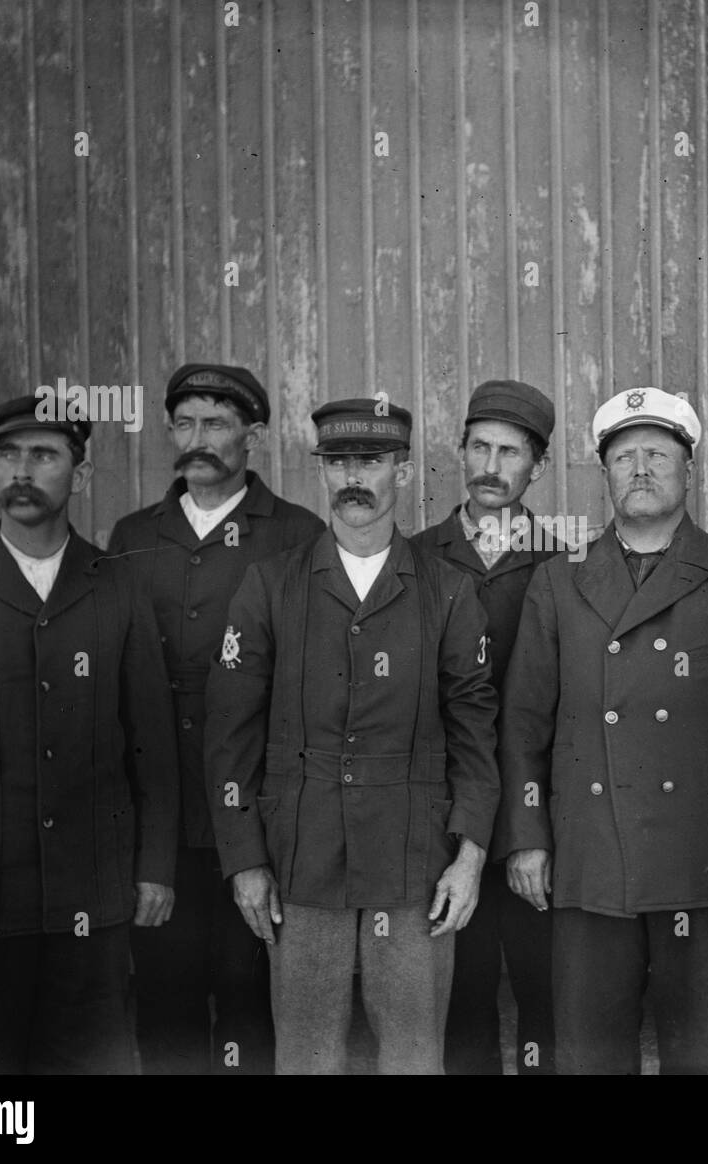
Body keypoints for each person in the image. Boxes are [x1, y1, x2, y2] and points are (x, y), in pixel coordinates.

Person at [496, 386, 708, 1074]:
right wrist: (525, 838)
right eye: (624, 456)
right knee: (588, 1056)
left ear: (689, 471)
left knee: (701, 1053)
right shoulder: (559, 579)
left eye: (657, 455)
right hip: (589, 858)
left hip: (703, 857)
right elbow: (523, 724)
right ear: (604, 473)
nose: (640, 468)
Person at [204, 397, 500, 1075]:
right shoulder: (271, 585)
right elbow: (230, 737)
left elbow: (475, 735)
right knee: (306, 1055)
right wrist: (245, 858)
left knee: (413, 1056)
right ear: (323, 475)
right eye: (338, 463)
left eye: (370, 461)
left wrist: (471, 855)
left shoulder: (449, 592)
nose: (353, 478)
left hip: (415, 863)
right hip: (301, 863)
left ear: (403, 468)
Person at [0, 395, 177, 1073]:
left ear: (81, 473)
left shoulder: (119, 586)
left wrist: (154, 868)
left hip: (90, 891)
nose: (23, 470)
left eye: (44, 455)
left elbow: (151, 744)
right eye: (6, 456)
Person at [108, 363, 324, 1074]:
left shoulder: (296, 534)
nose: (197, 439)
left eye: (218, 424)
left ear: (253, 436)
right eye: (185, 423)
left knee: (251, 1002)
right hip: (158, 820)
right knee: (164, 1002)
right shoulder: (134, 535)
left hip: (258, 819)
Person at [411, 379, 563, 1075]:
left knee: (548, 991)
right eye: (479, 447)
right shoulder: (414, 559)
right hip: (445, 816)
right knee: (460, 998)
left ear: (538, 466)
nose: (491, 466)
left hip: (541, 816)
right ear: (460, 452)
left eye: (510, 452)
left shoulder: (570, 560)